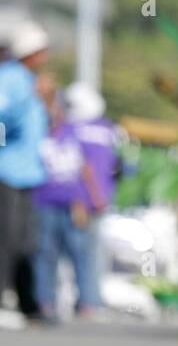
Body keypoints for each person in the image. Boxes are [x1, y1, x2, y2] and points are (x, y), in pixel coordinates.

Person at [33, 82, 122, 320]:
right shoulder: (107, 128)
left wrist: (90, 197)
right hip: (71, 201)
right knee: (77, 254)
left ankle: (60, 301)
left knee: (61, 253)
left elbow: (84, 169)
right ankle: (81, 302)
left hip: (74, 201)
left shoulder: (72, 128)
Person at [0, 21, 51, 319]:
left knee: (25, 242)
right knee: (6, 241)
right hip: (6, 171)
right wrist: (29, 96)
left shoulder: (27, 79)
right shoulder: (11, 78)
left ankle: (26, 303)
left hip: (26, 173)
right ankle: (5, 299)